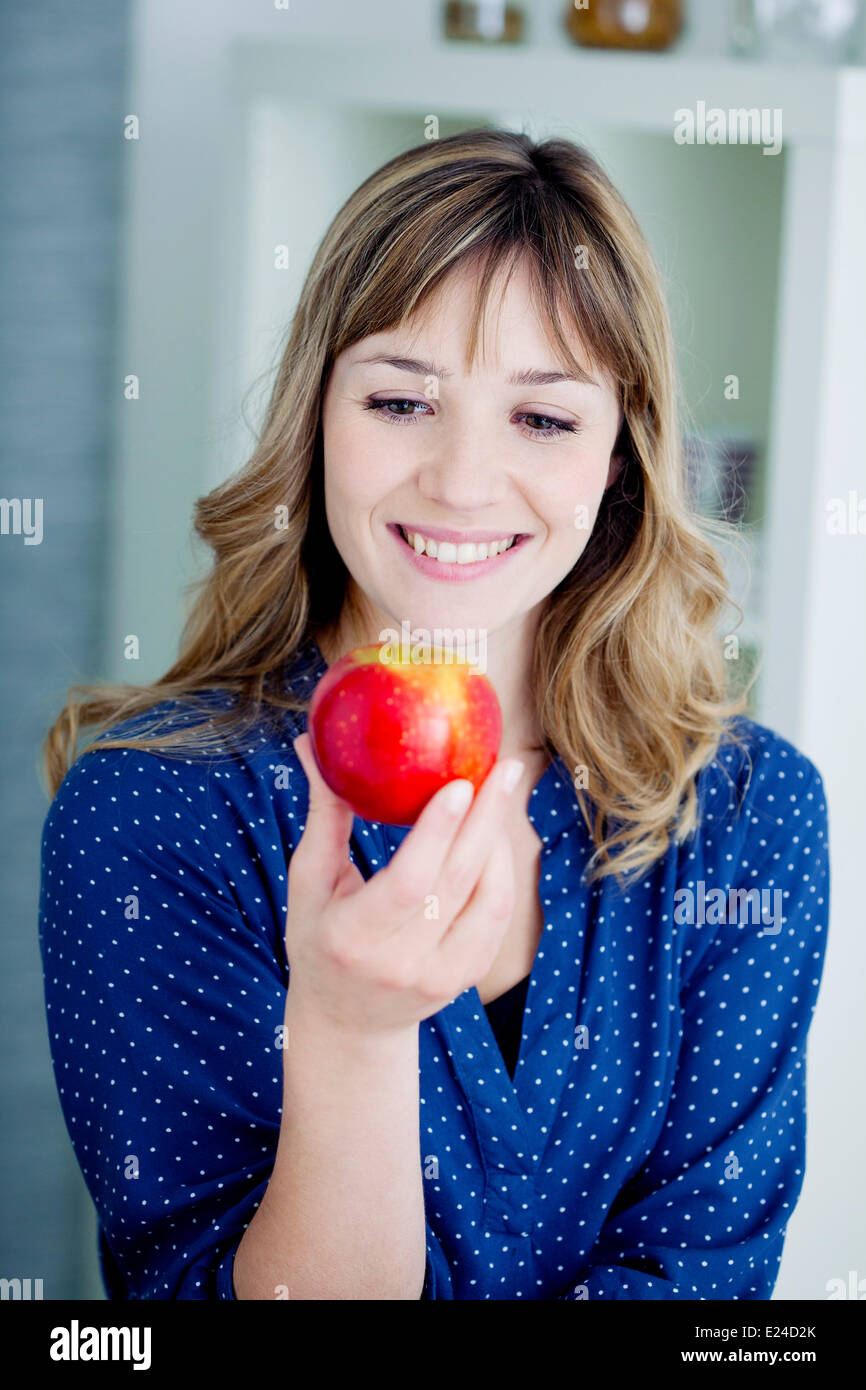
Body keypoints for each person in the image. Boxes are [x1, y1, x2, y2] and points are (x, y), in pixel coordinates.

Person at [38, 128, 830, 1300]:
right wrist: (352, 1035)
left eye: (543, 419)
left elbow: (708, 1290)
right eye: (402, 400)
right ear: (318, 414)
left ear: (618, 456)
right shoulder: (152, 808)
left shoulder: (750, 812)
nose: (462, 480)